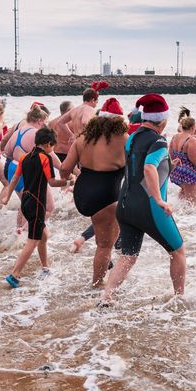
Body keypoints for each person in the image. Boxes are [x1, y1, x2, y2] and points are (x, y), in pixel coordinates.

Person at [101, 94, 186, 304]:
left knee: (128, 256)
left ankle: (106, 297)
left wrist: (169, 165)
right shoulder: (159, 140)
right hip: (148, 207)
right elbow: (148, 167)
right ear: (163, 120)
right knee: (177, 251)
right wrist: (159, 199)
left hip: (125, 205)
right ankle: (179, 299)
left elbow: (138, 167)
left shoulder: (133, 136)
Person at [60, 97, 128, 286]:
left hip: (83, 194)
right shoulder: (123, 139)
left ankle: (100, 276)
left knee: (102, 237)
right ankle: (96, 285)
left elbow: (65, 169)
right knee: (105, 246)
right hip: (107, 194)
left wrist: (70, 177)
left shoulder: (83, 138)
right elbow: (136, 169)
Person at [1, 127, 70, 288]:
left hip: (25, 201)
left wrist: (7, 196)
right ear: (47, 144)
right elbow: (52, 182)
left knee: (43, 235)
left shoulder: (25, 157)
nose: (52, 149)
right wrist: (69, 182)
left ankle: (45, 267)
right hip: (37, 204)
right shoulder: (45, 158)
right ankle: (15, 274)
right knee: (33, 240)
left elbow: (15, 179)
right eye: (52, 146)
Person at [54, 82, 106, 146]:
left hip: (76, 142)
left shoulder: (74, 110)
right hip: (85, 142)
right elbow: (85, 122)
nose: (96, 105)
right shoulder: (89, 109)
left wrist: (71, 135)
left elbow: (60, 122)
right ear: (92, 100)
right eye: (96, 102)